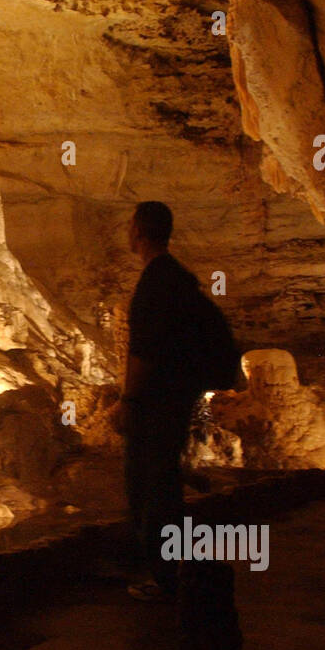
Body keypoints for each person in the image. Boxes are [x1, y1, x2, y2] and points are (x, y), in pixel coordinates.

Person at [113, 201, 213, 604]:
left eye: (130, 225)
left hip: (153, 405)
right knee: (166, 488)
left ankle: (164, 577)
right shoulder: (180, 278)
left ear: (139, 232)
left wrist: (128, 399)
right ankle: (178, 570)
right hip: (176, 401)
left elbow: (144, 352)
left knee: (150, 492)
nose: (128, 231)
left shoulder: (155, 283)